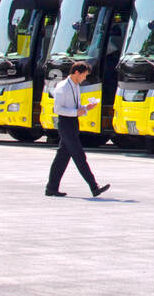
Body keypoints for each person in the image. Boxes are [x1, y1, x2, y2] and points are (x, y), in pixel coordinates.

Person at [45, 63, 110, 198]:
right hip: (66, 123)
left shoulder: (75, 86)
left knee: (61, 158)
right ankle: (94, 186)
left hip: (73, 123)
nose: (84, 78)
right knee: (79, 156)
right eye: (84, 75)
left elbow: (76, 106)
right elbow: (58, 109)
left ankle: (51, 188)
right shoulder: (62, 87)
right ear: (76, 72)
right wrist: (76, 112)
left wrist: (86, 107)